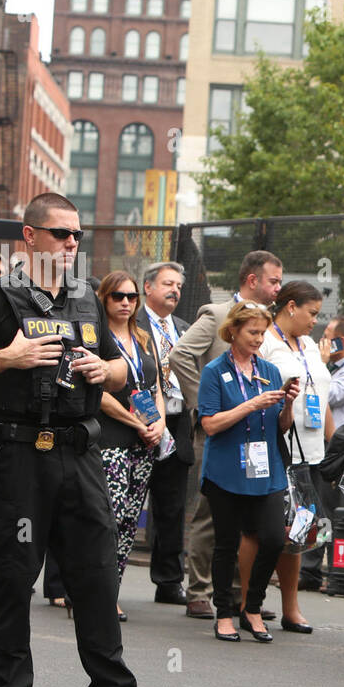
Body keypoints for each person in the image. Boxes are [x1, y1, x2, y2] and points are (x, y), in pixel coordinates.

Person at [0, 191, 160, 687]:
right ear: (30, 237)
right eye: (61, 234)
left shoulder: (86, 298)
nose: (71, 244)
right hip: (18, 456)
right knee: (13, 580)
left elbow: (121, 371)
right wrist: (7, 358)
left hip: (80, 454)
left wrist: (99, 371)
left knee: (96, 577)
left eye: (77, 235)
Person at [170, 250, 283, 620]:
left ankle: (239, 593)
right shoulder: (216, 314)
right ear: (252, 280)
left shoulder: (269, 324)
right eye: (273, 281)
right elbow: (181, 355)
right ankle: (200, 590)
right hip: (219, 432)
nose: (277, 288)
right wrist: (203, 406)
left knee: (251, 521)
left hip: (255, 442)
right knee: (210, 515)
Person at [198, 302, 296, 642]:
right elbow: (210, 425)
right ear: (234, 331)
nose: (258, 338)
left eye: (261, 333)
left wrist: (290, 402)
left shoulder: (269, 370)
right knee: (226, 543)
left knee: (273, 538)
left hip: (264, 468)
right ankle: (223, 612)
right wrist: (251, 404)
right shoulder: (214, 370)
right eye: (252, 332)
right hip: (225, 470)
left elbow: (281, 426)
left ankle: (252, 607)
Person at [260, 280, 333, 631]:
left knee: (298, 529)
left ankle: (290, 607)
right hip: (275, 447)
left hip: (310, 451)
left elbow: (323, 395)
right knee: (264, 530)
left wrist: (334, 447)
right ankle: (250, 603)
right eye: (312, 313)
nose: (314, 322)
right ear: (291, 306)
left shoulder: (307, 345)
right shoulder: (267, 342)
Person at [97, 271, 167, 623]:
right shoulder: (98, 338)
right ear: (104, 299)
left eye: (132, 297)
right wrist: (137, 423)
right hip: (111, 438)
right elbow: (98, 395)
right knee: (109, 516)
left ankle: (112, 591)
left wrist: (159, 424)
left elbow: (156, 388)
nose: (126, 302)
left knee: (128, 521)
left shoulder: (143, 336)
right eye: (117, 297)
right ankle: (97, 593)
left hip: (144, 442)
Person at [137, 260, 194, 607]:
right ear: (148, 287)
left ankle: (169, 580)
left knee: (171, 506)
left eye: (179, 286)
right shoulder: (132, 323)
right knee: (124, 502)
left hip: (177, 424)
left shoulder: (185, 329)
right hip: (139, 421)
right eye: (168, 284)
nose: (174, 291)